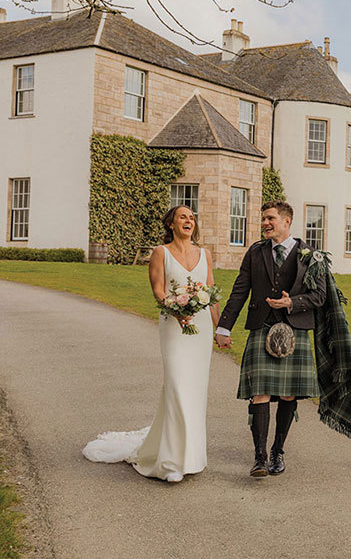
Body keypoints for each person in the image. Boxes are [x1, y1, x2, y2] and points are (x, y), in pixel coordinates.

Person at [82, 206, 218, 483]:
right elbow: (158, 290)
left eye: (192, 218)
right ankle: (169, 462)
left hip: (201, 328)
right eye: (183, 217)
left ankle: (191, 457)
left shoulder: (205, 254)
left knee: (196, 390)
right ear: (171, 223)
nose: (188, 221)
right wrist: (176, 309)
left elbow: (211, 295)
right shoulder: (161, 252)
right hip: (173, 326)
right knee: (177, 385)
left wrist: (220, 329)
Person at [215, 201, 327, 477]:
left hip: (295, 331)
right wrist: (224, 327)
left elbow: (319, 296)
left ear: (286, 221)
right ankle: (260, 457)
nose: (265, 223)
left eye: (270, 218)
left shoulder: (309, 255)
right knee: (260, 393)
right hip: (261, 327)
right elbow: (240, 290)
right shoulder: (255, 252)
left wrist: (292, 302)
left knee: (288, 394)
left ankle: (278, 450)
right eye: (263, 218)